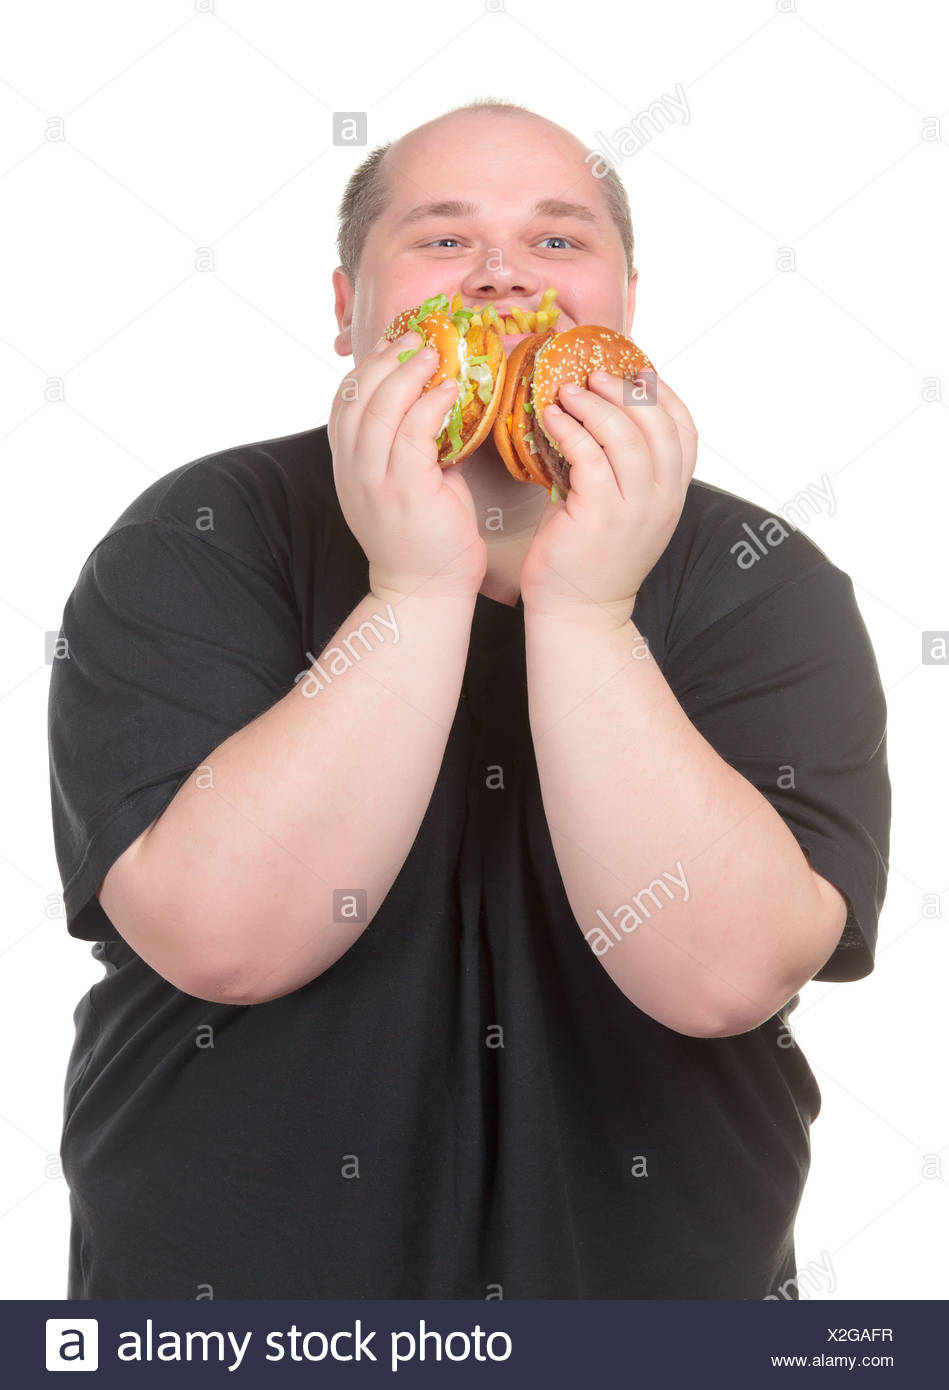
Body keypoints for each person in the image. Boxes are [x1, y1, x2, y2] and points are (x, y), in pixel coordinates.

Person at [48, 99, 890, 1300]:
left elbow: (719, 979)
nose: (503, 276)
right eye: (443, 239)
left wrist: (588, 612)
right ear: (348, 309)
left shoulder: (763, 580)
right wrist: (415, 585)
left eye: (559, 242)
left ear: (624, 308)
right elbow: (223, 941)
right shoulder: (198, 538)